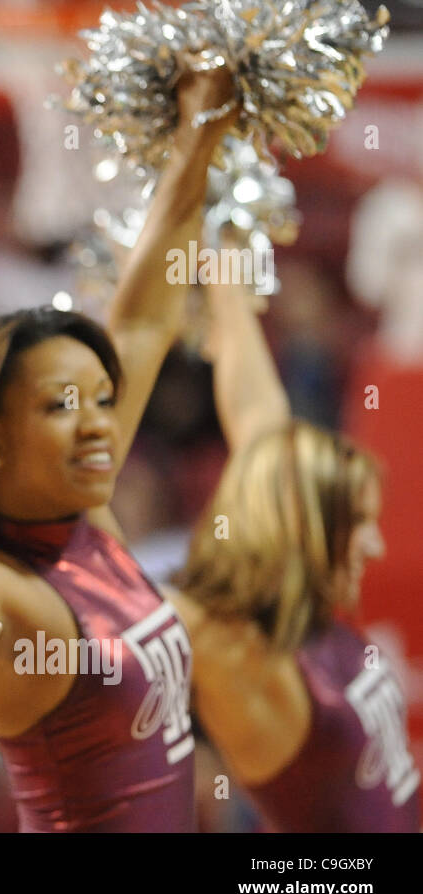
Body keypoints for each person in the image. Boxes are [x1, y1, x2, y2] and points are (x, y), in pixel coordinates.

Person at [0, 68, 237, 831]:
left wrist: (198, 138)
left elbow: (146, 321)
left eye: (102, 400)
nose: (98, 426)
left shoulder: (91, 526)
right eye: (61, 406)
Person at [169, 276, 421, 832]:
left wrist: (226, 286)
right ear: (300, 530)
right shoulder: (245, 654)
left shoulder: (308, 612)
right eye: (357, 526)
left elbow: (260, 418)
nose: (374, 545)